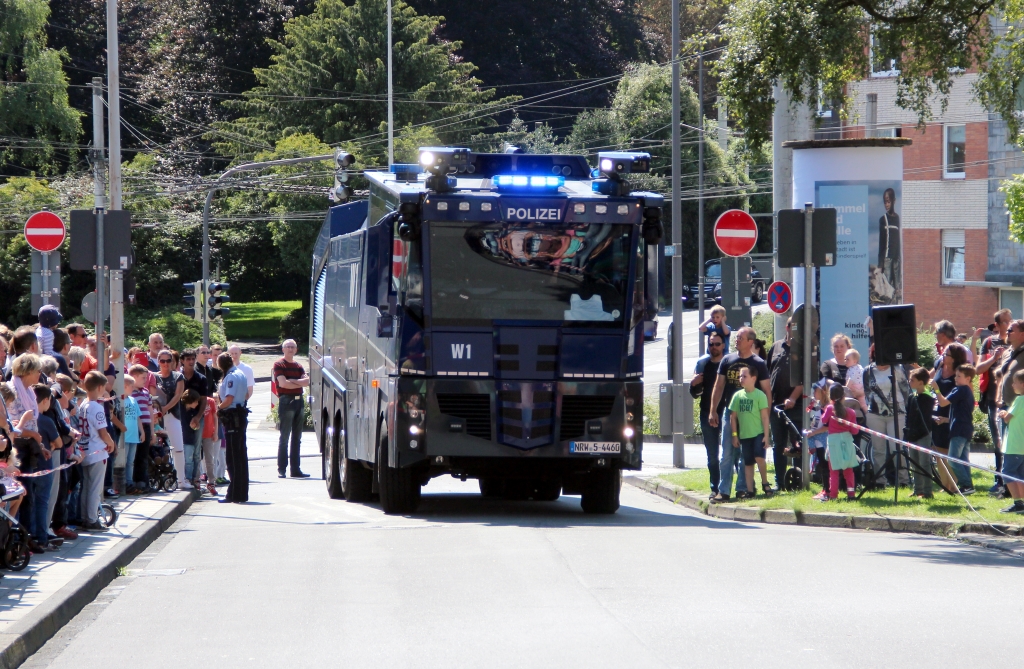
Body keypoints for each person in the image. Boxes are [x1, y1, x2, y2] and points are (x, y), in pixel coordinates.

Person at [708, 327, 772, 502]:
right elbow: (718, 386)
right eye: (736, 337)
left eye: (741, 338)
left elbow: (766, 390)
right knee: (727, 453)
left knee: (747, 454)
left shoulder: (758, 363)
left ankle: (743, 489)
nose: (737, 340)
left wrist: (765, 416)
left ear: (750, 342)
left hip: (752, 415)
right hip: (731, 413)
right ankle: (724, 491)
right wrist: (713, 410)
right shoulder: (727, 360)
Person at [975, 309, 1012, 495]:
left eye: (1010, 321)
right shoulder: (988, 343)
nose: (1008, 325)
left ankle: (1012, 481)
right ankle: (999, 479)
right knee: (998, 440)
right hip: (993, 399)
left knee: (1013, 440)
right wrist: (994, 358)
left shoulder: (1016, 342)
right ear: (996, 325)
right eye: (1005, 322)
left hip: (1013, 399)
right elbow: (977, 369)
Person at [862, 347, 910, 487]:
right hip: (875, 414)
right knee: (878, 450)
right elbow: (867, 392)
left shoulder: (898, 368)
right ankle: (880, 481)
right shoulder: (868, 371)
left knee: (897, 447)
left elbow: (905, 390)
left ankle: (903, 480)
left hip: (898, 413)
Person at [807, 383, 861, 501]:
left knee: (834, 471)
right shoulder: (851, 412)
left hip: (833, 443)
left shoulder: (829, 409)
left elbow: (824, 420)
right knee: (848, 470)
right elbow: (855, 431)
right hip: (847, 441)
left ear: (830, 397)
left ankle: (833, 495)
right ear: (843, 396)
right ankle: (851, 494)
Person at [766, 318, 803, 490]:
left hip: (794, 406)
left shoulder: (802, 349)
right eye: (792, 326)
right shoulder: (776, 347)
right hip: (776, 406)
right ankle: (779, 483)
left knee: (797, 445)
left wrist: (794, 398)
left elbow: (804, 379)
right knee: (778, 445)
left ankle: (799, 481)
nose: (793, 330)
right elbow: (767, 373)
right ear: (787, 327)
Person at [78, 371, 116, 531]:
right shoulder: (97, 407)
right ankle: (92, 519)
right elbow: (102, 431)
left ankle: (84, 516)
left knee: (86, 486)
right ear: (100, 387)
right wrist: (111, 443)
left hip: (85, 450)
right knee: (95, 488)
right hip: (97, 450)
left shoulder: (83, 405)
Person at [931, 363, 977, 494]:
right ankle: (969, 486)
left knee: (952, 458)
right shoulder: (967, 391)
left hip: (959, 430)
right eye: (956, 375)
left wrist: (936, 389)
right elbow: (962, 413)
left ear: (968, 379)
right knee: (963, 460)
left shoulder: (961, 389)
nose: (955, 378)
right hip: (966, 428)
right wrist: (946, 420)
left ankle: (965, 484)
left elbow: (943, 402)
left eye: (959, 376)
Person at [689, 332, 726, 494]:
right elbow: (695, 394)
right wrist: (693, 384)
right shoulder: (704, 365)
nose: (714, 347)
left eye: (717, 344)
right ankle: (715, 487)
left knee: (730, 453)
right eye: (711, 344)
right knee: (712, 455)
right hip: (706, 414)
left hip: (726, 413)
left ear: (723, 345)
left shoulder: (728, 364)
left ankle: (732, 487)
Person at [728, 367, 771, 498]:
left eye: (744, 376)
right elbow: (733, 417)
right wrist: (735, 435)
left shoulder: (760, 395)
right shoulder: (737, 396)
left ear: (753, 378)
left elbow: (764, 417)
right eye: (740, 376)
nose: (741, 379)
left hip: (758, 433)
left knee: (759, 457)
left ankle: (765, 482)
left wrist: (766, 435)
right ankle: (750, 490)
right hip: (744, 435)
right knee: (748, 462)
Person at [274, 339, 310, 478]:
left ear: (296, 350)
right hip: (286, 402)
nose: (290, 349)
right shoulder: (279, 364)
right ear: (283, 349)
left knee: (297, 437)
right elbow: (283, 384)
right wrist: (298, 383)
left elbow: (306, 382)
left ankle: (295, 469)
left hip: (298, 402)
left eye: (292, 347)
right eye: (288, 347)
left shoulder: (299, 365)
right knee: (284, 436)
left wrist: (292, 382)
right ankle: (281, 469)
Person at [218, 353, 249, 503]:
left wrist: (218, 407)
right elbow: (247, 394)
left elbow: (228, 399)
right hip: (240, 414)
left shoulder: (230, 377)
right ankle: (242, 492)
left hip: (232, 417)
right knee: (241, 455)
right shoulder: (240, 373)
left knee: (233, 458)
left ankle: (234, 493)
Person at [154, 349, 188, 489]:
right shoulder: (153, 376)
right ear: (158, 362)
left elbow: (178, 395)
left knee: (178, 446)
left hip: (173, 414)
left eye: (168, 361)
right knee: (158, 448)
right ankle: (159, 480)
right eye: (162, 361)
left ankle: (181, 480)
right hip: (157, 417)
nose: (165, 364)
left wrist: (165, 408)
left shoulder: (178, 376)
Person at [904, 367, 936, 499]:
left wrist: (919, 432)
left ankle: (928, 491)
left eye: (912, 380)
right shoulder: (912, 397)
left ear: (921, 382)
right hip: (912, 435)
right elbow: (909, 416)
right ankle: (918, 489)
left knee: (924, 463)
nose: (909, 381)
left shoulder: (927, 398)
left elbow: (926, 419)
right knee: (914, 463)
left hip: (923, 434)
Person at [997, 369, 1024, 513]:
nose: (1013, 385)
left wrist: (1003, 413)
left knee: (1007, 472)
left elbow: (1008, 418)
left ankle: (1018, 502)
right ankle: (1022, 503)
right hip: (1022, 446)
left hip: (1014, 445)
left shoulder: (1020, 400)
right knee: (1020, 474)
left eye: (1015, 382)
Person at [128, 364, 154, 493]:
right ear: (134, 377)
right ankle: (133, 482)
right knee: (134, 455)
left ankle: (143, 482)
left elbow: (150, 411)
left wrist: (152, 431)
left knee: (143, 455)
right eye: (143, 378)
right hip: (135, 426)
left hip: (146, 425)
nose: (145, 380)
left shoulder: (145, 392)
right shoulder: (130, 392)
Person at [876, 186, 901, 303]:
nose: (886, 204)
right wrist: (880, 265)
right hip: (887, 259)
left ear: (894, 201)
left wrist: (899, 258)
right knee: (887, 289)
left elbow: (898, 240)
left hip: (896, 259)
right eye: (885, 202)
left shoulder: (897, 219)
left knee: (897, 288)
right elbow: (881, 243)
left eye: (888, 201)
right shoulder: (883, 220)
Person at [121, 375, 144, 494]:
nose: (133, 389)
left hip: (134, 436)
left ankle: (129, 482)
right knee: (123, 460)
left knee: (131, 461)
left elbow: (138, 417)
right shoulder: (120, 400)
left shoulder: (133, 400)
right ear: (124, 386)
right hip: (124, 437)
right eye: (131, 386)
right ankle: (123, 482)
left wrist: (142, 432)